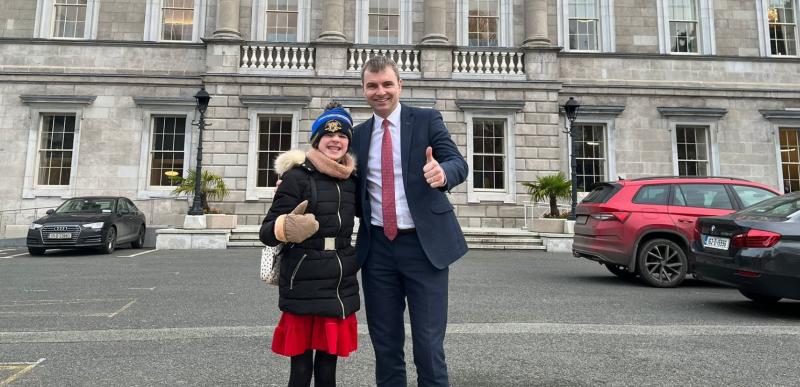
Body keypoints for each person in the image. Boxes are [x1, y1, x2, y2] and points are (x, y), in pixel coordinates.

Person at [351, 55, 469, 387]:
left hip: (423, 248)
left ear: (400, 85)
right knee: (386, 347)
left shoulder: (427, 120)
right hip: (377, 251)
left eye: (387, 84)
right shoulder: (357, 136)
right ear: (363, 90)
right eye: (372, 85)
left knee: (429, 348)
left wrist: (443, 172)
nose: (381, 91)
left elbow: (458, 163)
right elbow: (341, 182)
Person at [259, 103, 360, 387]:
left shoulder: (352, 180)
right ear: (317, 139)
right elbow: (266, 231)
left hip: (339, 280)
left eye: (342, 135)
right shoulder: (297, 177)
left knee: (328, 371)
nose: (335, 140)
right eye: (328, 135)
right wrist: (286, 228)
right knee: (301, 371)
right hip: (303, 278)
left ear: (348, 141)